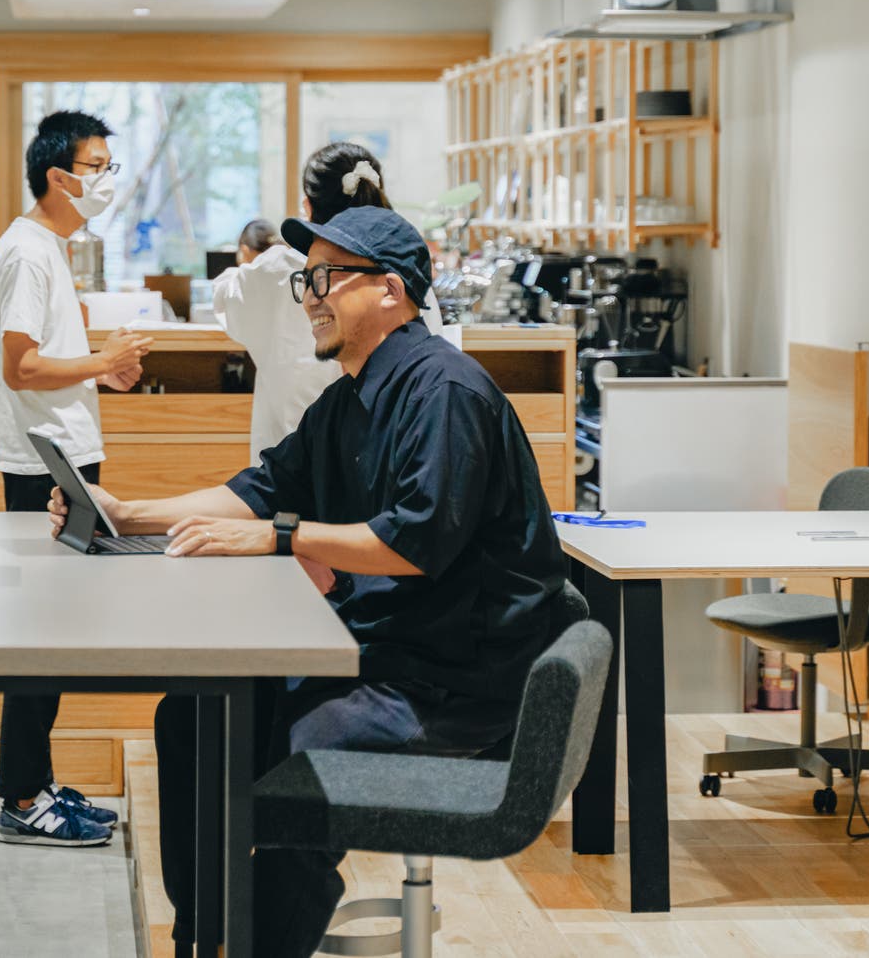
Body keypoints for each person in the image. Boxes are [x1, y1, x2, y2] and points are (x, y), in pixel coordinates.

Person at [51, 206, 565, 958]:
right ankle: (206, 933)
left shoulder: (442, 392)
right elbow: (264, 486)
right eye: (307, 278)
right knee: (191, 717)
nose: (309, 295)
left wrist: (280, 537)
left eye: (328, 277)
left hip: (454, 679)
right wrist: (128, 514)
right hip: (383, 650)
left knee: (303, 760)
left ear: (390, 291)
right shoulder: (349, 396)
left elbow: (413, 544)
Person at [0, 109, 152, 847]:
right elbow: (20, 364)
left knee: (51, 634)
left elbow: (43, 359)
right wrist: (101, 363)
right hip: (42, 465)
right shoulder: (27, 253)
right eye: (97, 165)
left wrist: (99, 376)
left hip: (61, 450)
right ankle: (21, 799)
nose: (107, 179)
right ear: (59, 176)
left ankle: (37, 785)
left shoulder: (47, 247)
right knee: (38, 636)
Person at [211, 143, 444, 459]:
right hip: (378, 482)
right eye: (309, 281)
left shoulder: (274, 271)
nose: (313, 297)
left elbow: (225, 298)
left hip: (290, 490)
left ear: (307, 208)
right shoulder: (409, 280)